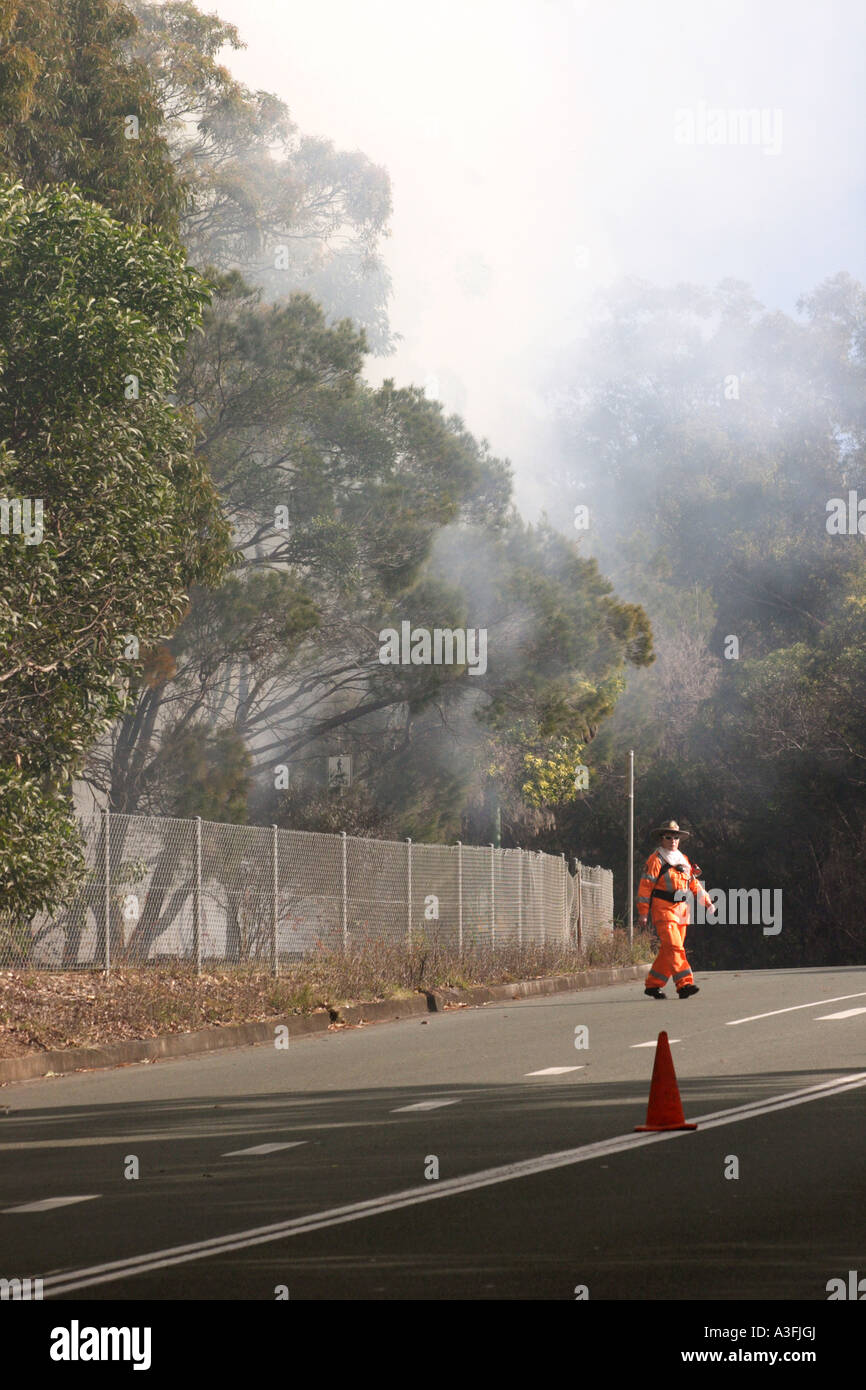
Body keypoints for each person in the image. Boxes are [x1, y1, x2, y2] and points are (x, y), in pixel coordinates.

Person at [637, 820, 713, 1000]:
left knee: (668, 950)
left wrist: (707, 902)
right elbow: (645, 887)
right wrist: (643, 912)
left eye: (676, 837)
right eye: (668, 837)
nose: (673, 840)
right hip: (663, 909)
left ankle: (653, 984)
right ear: (661, 839)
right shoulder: (655, 859)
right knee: (674, 946)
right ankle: (684, 984)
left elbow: (693, 883)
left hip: (681, 910)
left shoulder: (683, 859)